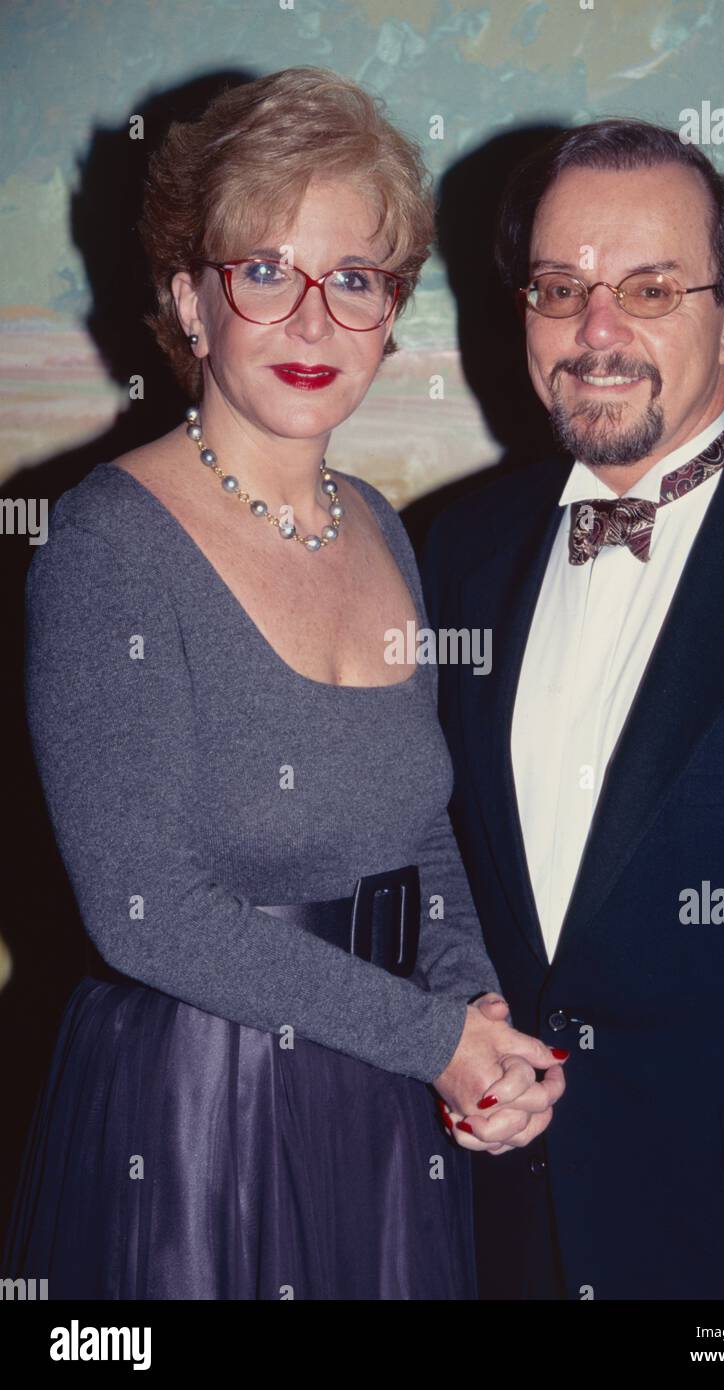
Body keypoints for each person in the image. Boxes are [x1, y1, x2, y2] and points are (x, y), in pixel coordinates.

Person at [2, 66, 568, 1301]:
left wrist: (477, 1019)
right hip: (198, 1114)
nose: (313, 323)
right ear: (189, 302)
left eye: (354, 280)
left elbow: (418, 829)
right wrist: (434, 1042)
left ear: (389, 313)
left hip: (380, 1094)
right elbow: (143, 908)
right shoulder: (106, 544)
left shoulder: (378, 527)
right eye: (266, 270)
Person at [420, 117, 724, 1300]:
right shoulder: (449, 555)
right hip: (484, 1233)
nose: (597, 330)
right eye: (559, 286)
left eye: (649, 287)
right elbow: (424, 862)